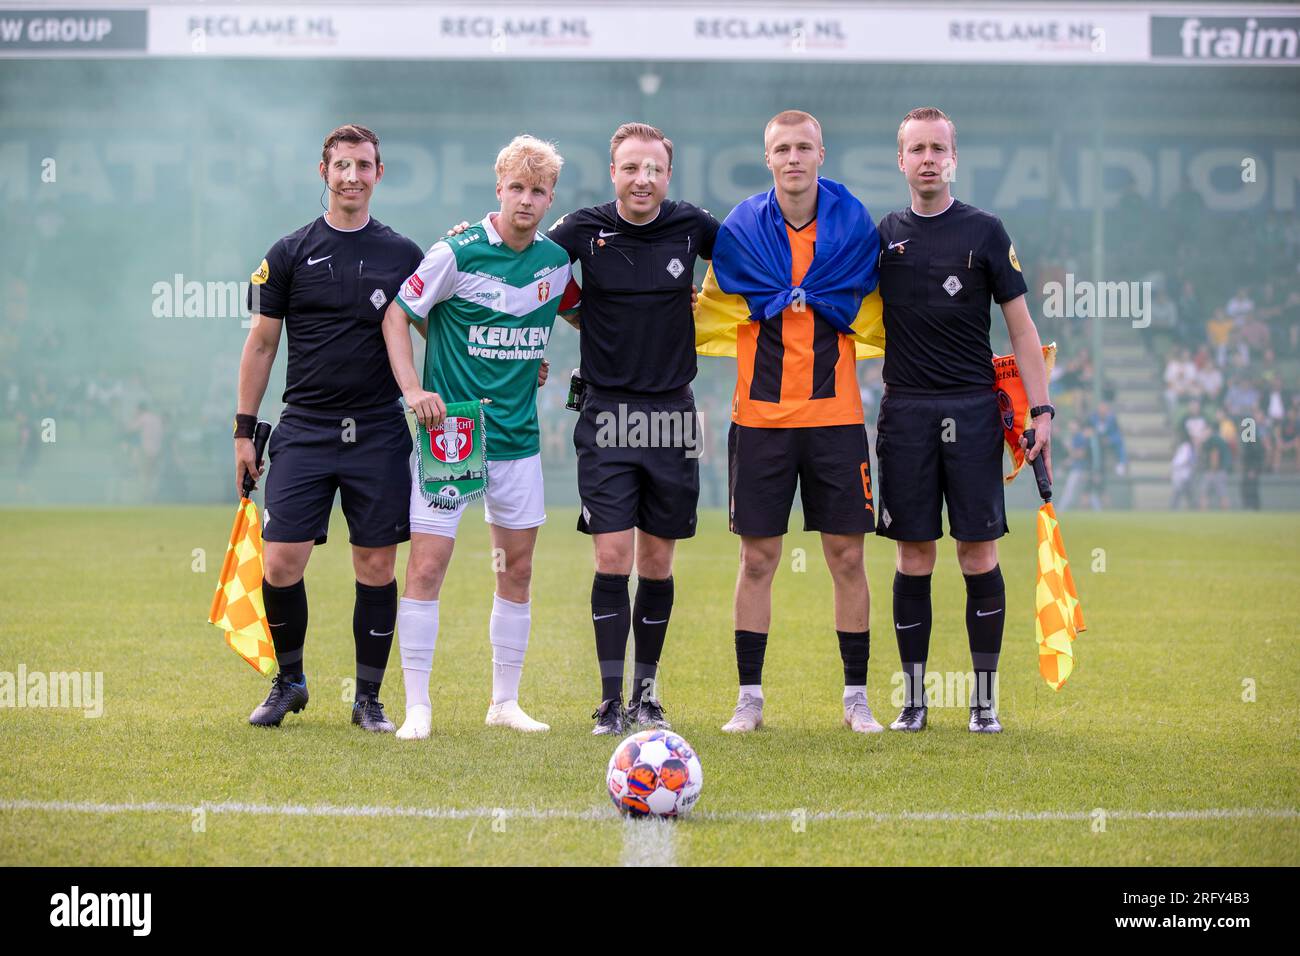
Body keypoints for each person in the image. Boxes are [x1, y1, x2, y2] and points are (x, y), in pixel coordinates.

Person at [696, 110, 884, 735]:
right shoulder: (743, 230)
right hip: (761, 418)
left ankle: (856, 699)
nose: (794, 157)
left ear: (822, 154)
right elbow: (703, 305)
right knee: (758, 559)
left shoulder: (853, 225)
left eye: (804, 147)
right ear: (768, 157)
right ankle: (749, 699)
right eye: (783, 148)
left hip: (837, 417)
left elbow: (886, 294)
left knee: (847, 558)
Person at [382, 135, 574, 739]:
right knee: (428, 566)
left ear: (550, 198)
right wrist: (413, 391)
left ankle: (504, 703)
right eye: (516, 187)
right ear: (499, 188)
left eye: (537, 191)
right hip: (454, 433)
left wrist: (535, 361)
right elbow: (397, 315)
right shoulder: (454, 252)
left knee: (516, 569)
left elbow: (571, 315)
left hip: (517, 438)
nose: (525, 199)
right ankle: (418, 708)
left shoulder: (555, 261)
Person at [236, 124, 424, 732]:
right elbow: (262, 345)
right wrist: (244, 430)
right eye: (341, 165)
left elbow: (438, 329)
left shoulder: (404, 255)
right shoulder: (288, 253)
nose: (352, 176)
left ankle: (367, 699)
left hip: (377, 430)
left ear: (378, 174)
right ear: (324, 172)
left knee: (375, 567)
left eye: (363, 166)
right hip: (306, 428)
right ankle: (289, 682)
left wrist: (515, 365)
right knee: (281, 562)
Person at [875, 107, 1054, 734]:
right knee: (913, 555)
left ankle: (983, 702)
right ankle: (914, 701)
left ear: (954, 158)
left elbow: (1022, 328)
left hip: (974, 410)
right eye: (916, 148)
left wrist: (1042, 409)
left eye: (938, 148)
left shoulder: (985, 231)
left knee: (977, 553)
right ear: (900, 160)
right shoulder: (882, 235)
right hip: (905, 414)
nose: (928, 158)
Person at [546, 124, 720, 735]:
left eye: (653, 169)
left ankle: (648, 695)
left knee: (657, 563)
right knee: (613, 556)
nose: (642, 179)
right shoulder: (581, 229)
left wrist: (709, 303)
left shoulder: (694, 225)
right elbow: (535, 272)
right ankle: (610, 700)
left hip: (673, 414)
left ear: (666, 174)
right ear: (613, 172)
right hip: (606, 413)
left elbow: (750, 274)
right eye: (630, 168)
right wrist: (579, 317)